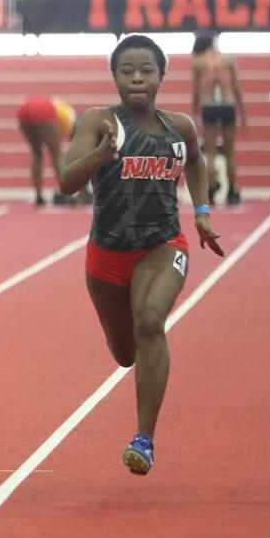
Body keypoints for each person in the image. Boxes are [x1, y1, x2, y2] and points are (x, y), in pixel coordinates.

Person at [58, 34, 224, 476]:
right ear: (113, 77)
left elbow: (196, 162)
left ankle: (143, 439)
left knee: (150, 320)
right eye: (127, 70)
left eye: (146, 71)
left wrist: (202, 211)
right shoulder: (98, 121)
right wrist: (100, 155)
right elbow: (66, 182)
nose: (136, 78)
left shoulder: (179, 127)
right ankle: (130, 356)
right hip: (107, 256)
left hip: (163, 245)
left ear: (161, 78)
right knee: (125, 352)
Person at [190, 32, 246, 205]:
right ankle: (232, 190)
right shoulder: (228, 61)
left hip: (209, 107)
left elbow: (195, 92)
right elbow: (236, 88)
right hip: (228, 106)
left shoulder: (198, 64)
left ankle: (212, 187)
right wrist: (243, 112)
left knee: (211, 151)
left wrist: (195, 113)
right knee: (229, 152)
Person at [16, 96, 76, 206]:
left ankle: (38, 195)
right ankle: (69, 195)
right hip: (45, 110)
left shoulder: (66, 111)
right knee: (56, 155)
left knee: (36, 153)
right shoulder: (70, 120)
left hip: (24, 109)